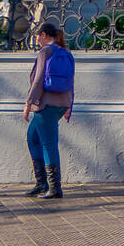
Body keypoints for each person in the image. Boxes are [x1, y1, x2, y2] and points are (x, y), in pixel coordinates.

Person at [23, 22, 75, 199]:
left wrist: (28, 104)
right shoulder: (66, 53)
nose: (36, 40)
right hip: (61, 103)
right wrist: (69, 106)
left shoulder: (45, 52)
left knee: (48, 144)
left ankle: (54, 188)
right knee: (33, 139)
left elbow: (38, 81)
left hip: (46, 105)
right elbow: (71, 82)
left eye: (37, 36)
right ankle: (41, 183)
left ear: (44, 35)